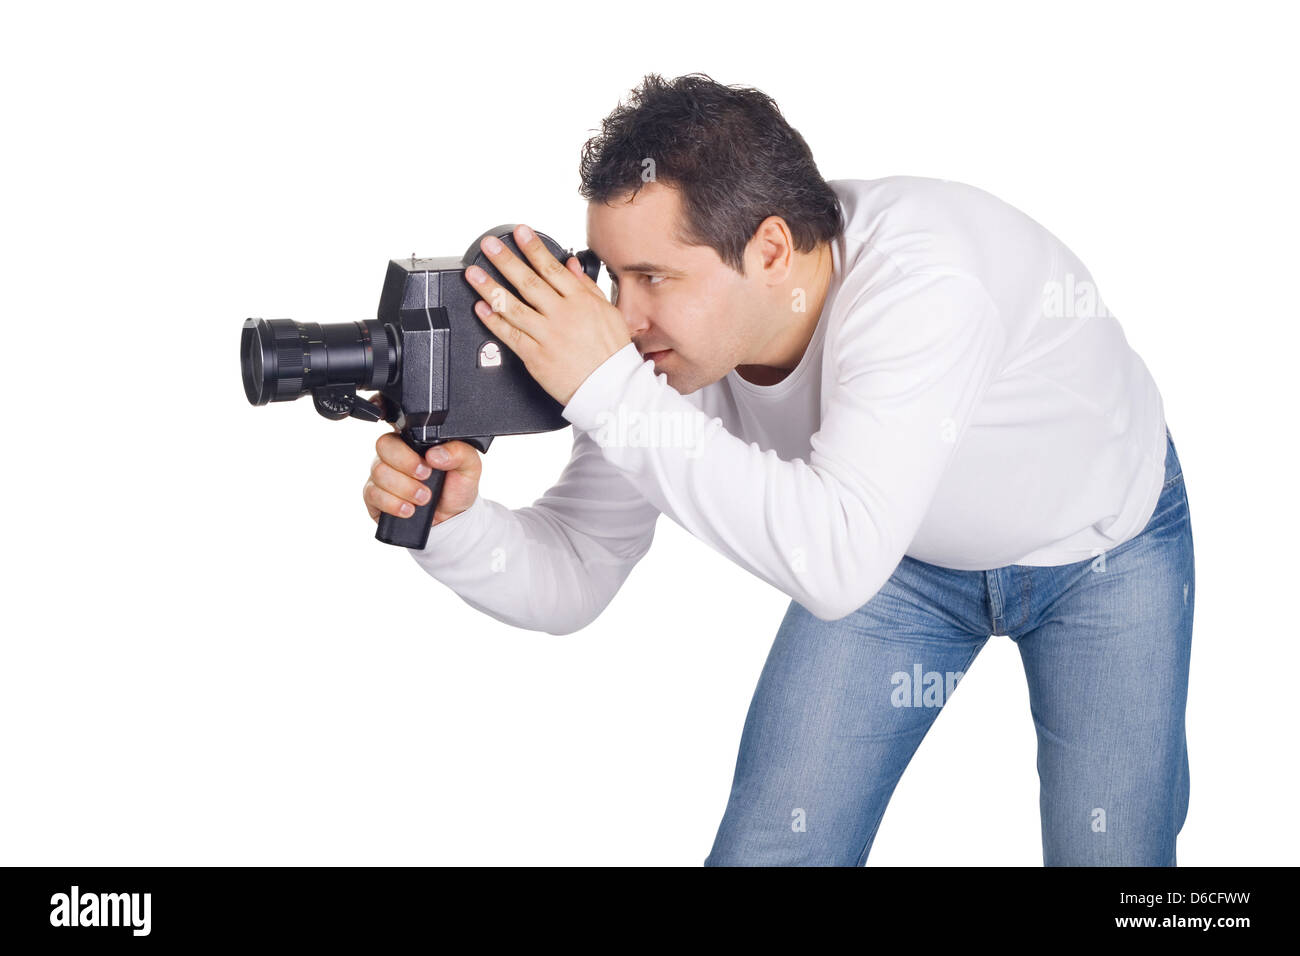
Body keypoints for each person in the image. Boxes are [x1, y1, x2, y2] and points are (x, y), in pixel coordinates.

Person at [362, 73, 1195, 866]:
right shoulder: (660, 363)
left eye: (654, 276)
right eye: (615, 276)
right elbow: (579, 567)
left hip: (1100, 552)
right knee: (774, 851)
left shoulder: (925, 285)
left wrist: (603, 386)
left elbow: (834, 562)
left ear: (769, 250)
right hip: (893, 560)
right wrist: (458, 527)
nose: (622, 315)